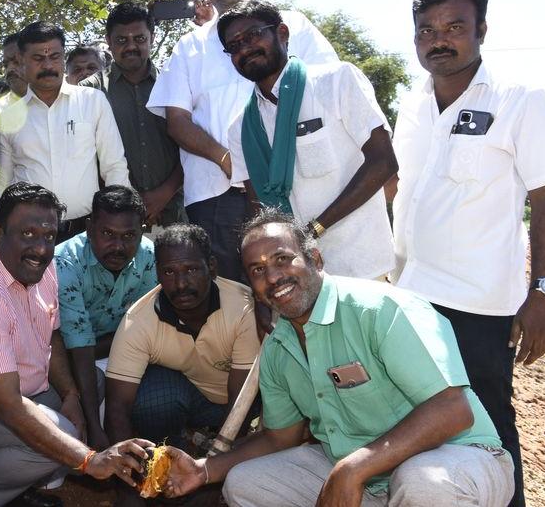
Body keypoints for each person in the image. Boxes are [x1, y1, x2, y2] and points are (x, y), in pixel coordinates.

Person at [162, 208, 515, 507]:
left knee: (421, 483)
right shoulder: (277, 348)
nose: (273, 276)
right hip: (364, 477)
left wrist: (355, 467)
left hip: (456, 459)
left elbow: (453, 410)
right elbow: (279, 438)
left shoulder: (380, 310)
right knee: (247, 484)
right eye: (257, 270)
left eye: (283, 259)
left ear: (315, 260)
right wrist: (203, 470)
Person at [390, 0, 545, 507]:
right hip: (411, 298)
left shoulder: (519, 100)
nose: (438, 40)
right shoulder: (412, 105)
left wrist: (544, 294)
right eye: (426, 30)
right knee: (419, 421)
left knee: (489, 424)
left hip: (479, 307)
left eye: (454, 27)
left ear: (482, 30)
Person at [0, 182, 154, 507]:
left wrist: (70, 395)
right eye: (28, 234)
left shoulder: (39, 265)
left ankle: (12, 489)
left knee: (89, 384)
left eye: (49, 236)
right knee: (58, 437)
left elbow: (51, 333)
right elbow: (8, 406)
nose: (40, 248)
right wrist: (90, 460)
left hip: (15, 389)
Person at [147, 0, 338, 281]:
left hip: (296, 183)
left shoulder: (294, 26)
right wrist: (230, 161)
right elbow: (177, 121)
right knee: (233, 293)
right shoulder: (190, 46)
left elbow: (327, 91)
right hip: (218, 196)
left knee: (307, 282)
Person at [222, 0, 396, 283]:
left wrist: (314, 230)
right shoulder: (241, 128)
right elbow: (258, 207)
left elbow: (383, 162)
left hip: (362, 266)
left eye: (253, 35)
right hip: (297, 281)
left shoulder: (336, 82)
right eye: (234, 45)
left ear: (282, 33)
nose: (245, 48)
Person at [105, 224, 260, 506]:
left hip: (247, 403)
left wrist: (210, 478)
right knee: (153, 395)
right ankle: (165, 473)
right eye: (169, 272)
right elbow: (117, 409)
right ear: (157, 273)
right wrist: (128, 487)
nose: (180, 284)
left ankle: (205, 469)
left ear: (211, 267)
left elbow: (241, 403)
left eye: (191, 269)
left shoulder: (243, 307)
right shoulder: (138, 321)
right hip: (198, 400)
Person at [0, 21, 130, 240]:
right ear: (22, 61)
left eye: (55, 56)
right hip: (29, 233)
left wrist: (119, 221)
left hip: (85, 231)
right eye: (38, 58)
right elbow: (4, 180)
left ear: (63, 57)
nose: (48, 65)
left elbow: (114, 167)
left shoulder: (92, 101)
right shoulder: (9, 117)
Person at [53, 185, 157, 451]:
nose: (118, 246)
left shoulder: (149, 256)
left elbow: (145, 329)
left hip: (118, 349)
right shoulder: (65, 262)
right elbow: (77, 348)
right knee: (82, 425)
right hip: (71, 358)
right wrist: (95, 430)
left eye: (129, 235)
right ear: (89, 228)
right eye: (107, 234)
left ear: (142, 230)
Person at [81, 3, 185, 230]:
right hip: (113, 221)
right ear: (108, 41)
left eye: (139, 39)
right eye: (121, 40)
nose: (131, 47)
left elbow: (189, 147)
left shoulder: (175, 85)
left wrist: (164, 193)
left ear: (152, 38)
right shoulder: (90, 91)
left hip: (173, 214)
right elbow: (82, 156)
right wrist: (124, 200)